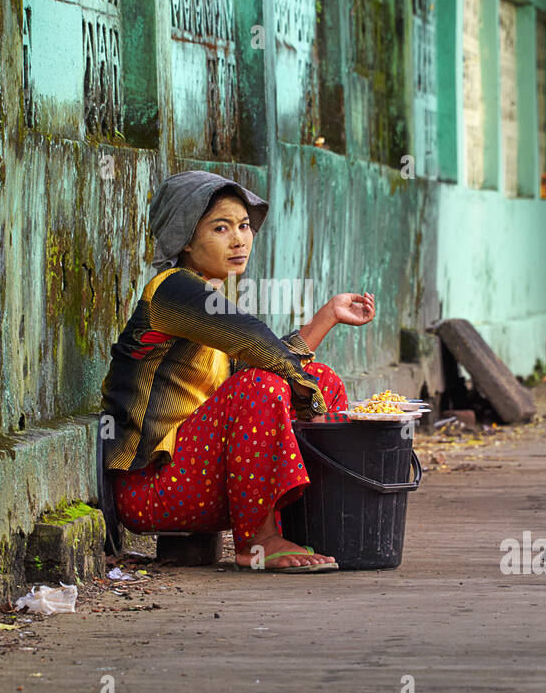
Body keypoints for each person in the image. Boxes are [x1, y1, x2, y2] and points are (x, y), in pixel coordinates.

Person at [99, 170, 377, 572]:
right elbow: (255, 346)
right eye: (221, 227)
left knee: (322, 379)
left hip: (199, 481)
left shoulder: (209, 298)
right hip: (151, 490)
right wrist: (308, 399)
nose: (239, 239)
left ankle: (312, 524)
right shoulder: (171, 289)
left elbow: (265, 359)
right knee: (262, 388)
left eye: (244, 226)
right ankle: (258, 541)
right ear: (186, 240)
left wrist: (327, 317)